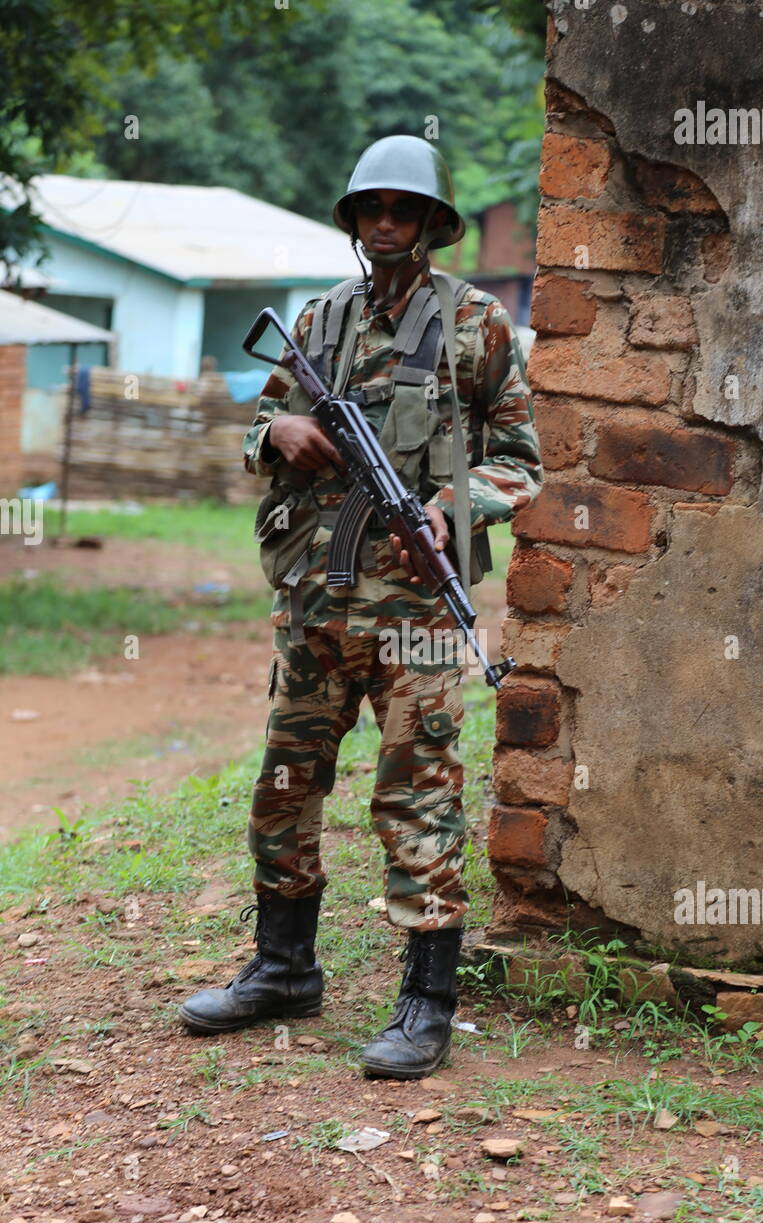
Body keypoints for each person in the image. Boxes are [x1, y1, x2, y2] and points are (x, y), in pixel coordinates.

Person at [179, 134, 542, 1079]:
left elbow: (523, 462)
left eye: (403, 208)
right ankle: (284, 969)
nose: (386, 222)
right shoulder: (318, 319)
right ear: (353, 221)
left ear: (430, 221)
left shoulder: (476, 325)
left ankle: (426, 1004)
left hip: (416, 610)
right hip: (314, 600)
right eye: (371, 208)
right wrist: (281, 429)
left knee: (416, 795)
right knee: (286, 786)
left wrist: (446, 504)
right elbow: (257, 425)